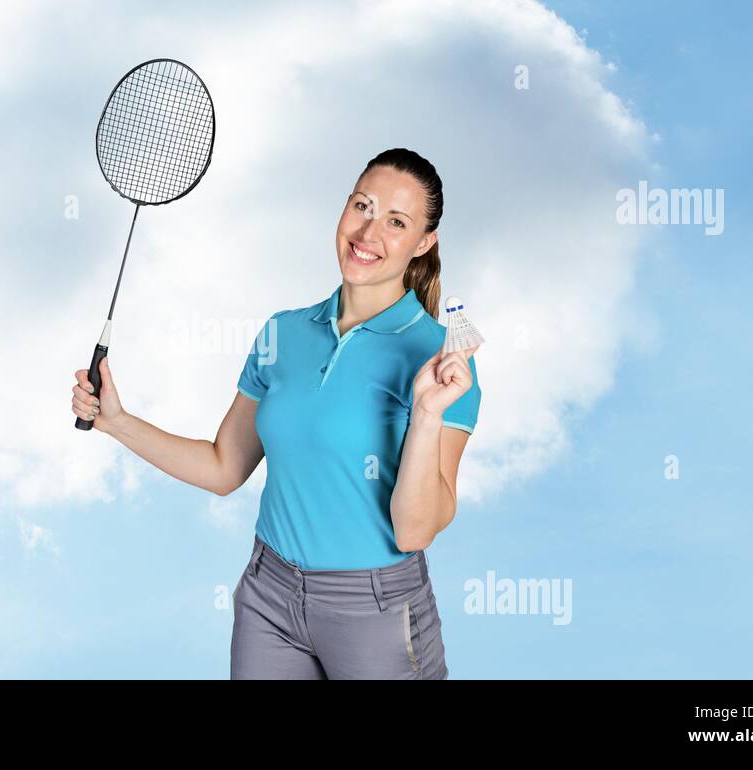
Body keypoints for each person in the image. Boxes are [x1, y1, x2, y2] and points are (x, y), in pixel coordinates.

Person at [70, 147, 481, 679]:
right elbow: (223, 467)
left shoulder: (442, 364)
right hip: (270, 595)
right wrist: (116, 421)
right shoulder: (283, 333)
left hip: (375, 609)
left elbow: (414, 532)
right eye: (362, 206)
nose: (368, 232)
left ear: (424, 242)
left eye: (396, 222)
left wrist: (426, 415)